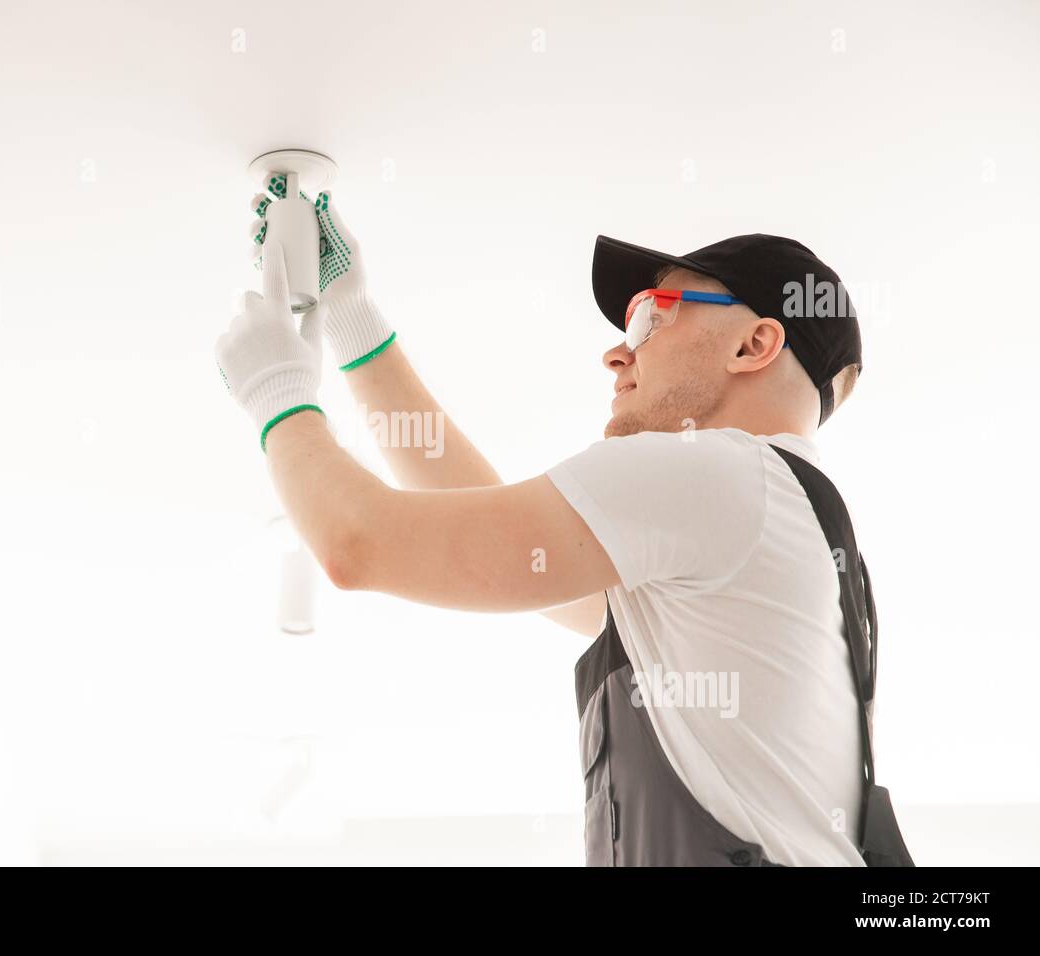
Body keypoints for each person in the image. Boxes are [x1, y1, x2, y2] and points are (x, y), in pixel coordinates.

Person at [214, 179, 913, 867]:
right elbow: (478, 526)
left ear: (754, 345)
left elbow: (360, 546)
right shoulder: (776, 532)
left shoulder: (721, 475)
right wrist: (352, 319)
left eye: (653, 314)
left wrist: (276, 391)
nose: (617, 351)